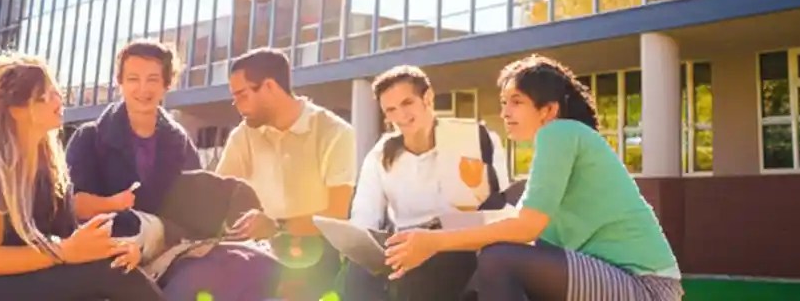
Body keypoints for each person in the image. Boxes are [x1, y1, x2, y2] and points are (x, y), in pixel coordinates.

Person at [384, 55, 684, 301]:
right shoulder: (564, 145)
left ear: (548, 110)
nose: (505, 112)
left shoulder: (560, 132)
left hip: (647, 288)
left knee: (499, 258)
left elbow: (525, 228)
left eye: (516, 101)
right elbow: (510, 221)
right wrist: (433, 229)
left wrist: (435, 241)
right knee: (485, 257)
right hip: (610, 277)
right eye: (503, 103)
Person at [0, 53, 164, 301]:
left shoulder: (49, 167)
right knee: (107, 277)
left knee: (115, 270)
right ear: (16, 110)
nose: (58, 98)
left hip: (26, 276)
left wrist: (116, 250)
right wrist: (64, 252)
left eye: (56, 91)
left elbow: (68, 240)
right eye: (45, 95)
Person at [65, 39, 280, 301]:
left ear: (167, 84)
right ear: (119, 82)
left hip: (171, 250)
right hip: (110, 251)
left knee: (250, 266)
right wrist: (113, 204)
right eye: (133, 78)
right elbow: (72, 207)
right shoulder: (90, 138)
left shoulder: (178, 141)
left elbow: (194, 209)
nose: (143, 88)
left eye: (153, 79)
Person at [344, 65, 510, 301]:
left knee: (433, 272)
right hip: (404, 247)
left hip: (460, 245)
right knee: (357, 271)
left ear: (428, 98)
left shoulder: (476, 138)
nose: (400, 115)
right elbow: (364, 215)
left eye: (407, 103)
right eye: (390, 110)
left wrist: (436, 241)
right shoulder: (381, 153)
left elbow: (501, 210)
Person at [215, 48, 357, 300]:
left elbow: (337, 216)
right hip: (256, 251)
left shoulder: (334, 132)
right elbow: (219, 195)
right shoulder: (243, 135)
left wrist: (276, 226)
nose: (236, 104)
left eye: (242, 94)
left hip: (315, 252)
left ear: (269, 86)